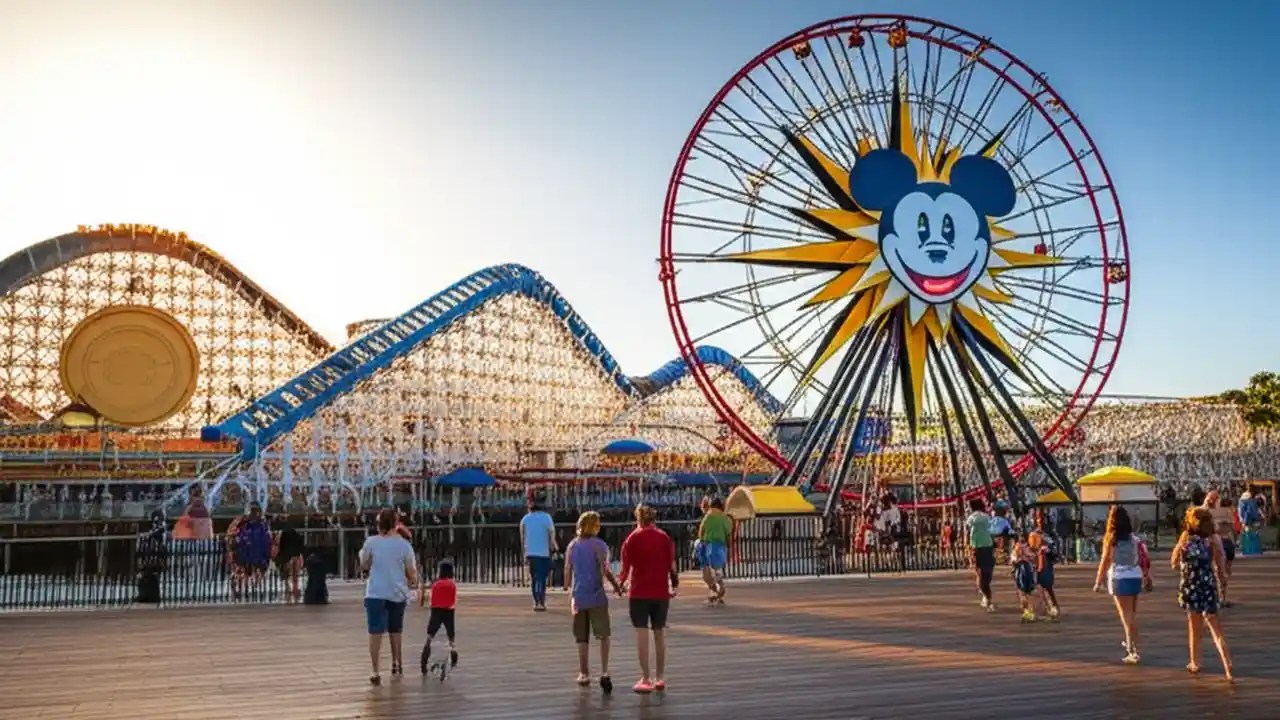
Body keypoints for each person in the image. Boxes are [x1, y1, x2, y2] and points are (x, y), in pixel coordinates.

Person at [619, 503, 676, 694]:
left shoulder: (632, 539)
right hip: (660, 591)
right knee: (659, 633)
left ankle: (646, 677)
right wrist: (673, 584)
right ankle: (660, 677)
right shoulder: (664, 537)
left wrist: (620, 584)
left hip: (639, 591)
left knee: (642, 633)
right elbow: (671, 564)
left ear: (638, 518)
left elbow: (625, 568)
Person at [564, 511, 622, 693]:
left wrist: (567, 587)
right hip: (597, 595)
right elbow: (605, 570)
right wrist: (616, 586)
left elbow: (567, 571)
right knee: (603, 635)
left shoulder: (572, 546)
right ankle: (604, 671)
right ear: (595, 526)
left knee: (582, 637)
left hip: (578, 596)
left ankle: (584, 673)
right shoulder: (601, 546)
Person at [1174, 508, 1233, 681]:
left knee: (1194, 627)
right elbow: (1220, 565)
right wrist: (1222, 580)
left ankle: (1194, 662)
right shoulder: (1213, 540)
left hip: (1191, 587)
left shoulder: (1186, 537)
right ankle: (1227, 666)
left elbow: (1173, 562)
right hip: (1208, 586)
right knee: (1216, 629)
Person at [360, 508, 419, 685]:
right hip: (397, 592)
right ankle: (396, 663)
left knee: (375, 632)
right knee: (395, 630)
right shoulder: (403, 545)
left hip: (376, 591)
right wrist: (412, 581)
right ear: (396, 524)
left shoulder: (371, 542)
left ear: (379, 524)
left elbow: (364, 564)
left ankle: (375, 670)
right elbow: (411, 572)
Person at [1093, 505, 1146, 665]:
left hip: (1120, 576)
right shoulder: (1134, 539)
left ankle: (1133, 649)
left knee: (1126, 617)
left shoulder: (1111, 538)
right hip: (1135, 575)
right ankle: (1132, 643)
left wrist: (1098, 580)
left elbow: (1105, 560)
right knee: (1132, 615)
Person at [418, 560, 459, 680]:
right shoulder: (452, 585)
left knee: (430, 635)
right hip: (449, 611)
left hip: (436, 611)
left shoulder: (436, 584)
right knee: (450, 634)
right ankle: (453, 652)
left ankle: (424, 660)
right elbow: (452, 600)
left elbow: (432, 599)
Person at [520, 498, 557, 611]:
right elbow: (552, 533)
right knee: (541, 578)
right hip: (543, 553)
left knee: (535, 578)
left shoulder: (525, 519)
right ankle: (540, 601)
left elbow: (522, 537)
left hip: (530, 553)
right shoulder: (547, 518)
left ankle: (536, 600)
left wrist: (524, 554)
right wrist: (553, 545)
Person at [1201, 491, 1236, 606]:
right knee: (1220, 571)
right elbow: (1230, 528)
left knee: (1218, 571)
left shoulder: (1204, 512)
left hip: (1217, 542)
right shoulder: (1224, 511)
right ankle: (1220, 596)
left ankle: (1220, 597)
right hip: (1217, 542)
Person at [697, 497, 733, 604]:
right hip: (719, 546)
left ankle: (715, 591)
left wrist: (701, 541)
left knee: (706, 572)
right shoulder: (725, 519)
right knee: (717, 569)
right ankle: (719, 589)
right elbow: (728, 536)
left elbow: (701, 531)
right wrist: (729, 548)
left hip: (705, 544)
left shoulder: (708, 516)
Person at [965, 499, 996, 612]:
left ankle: (986, 595)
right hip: (988, 546)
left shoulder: (971, 518)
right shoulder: (986, 517)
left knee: (979, 572)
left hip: (976, 547)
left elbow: (968, 532)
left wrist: (967, 546)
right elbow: (992, 530)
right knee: (987, 572)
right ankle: (986, 594)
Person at [1029, 511, 1061, 620]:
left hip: (1047, 561)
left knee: (1047, 585)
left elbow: (1053, 548)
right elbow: (1031, 547)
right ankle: (1046, 607)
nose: (1040, 521)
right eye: (1038, 518)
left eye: (1042, 518)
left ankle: (1054, 606)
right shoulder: (1033, 533)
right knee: (1038, 585)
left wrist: (1048, 550)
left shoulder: (1049, 533)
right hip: (1037, 560)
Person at [274, 515, 306, 602]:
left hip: (286, 556)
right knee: (294, 575)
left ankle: (288, 588)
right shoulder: (294, 532)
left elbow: (280, 546)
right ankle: (294, 589)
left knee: (287, 574)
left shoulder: (282, 533)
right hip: (294, 556)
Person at [1010, 530, 1039, 623]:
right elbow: (1033, 558)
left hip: (1022, 570)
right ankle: (1030, 612)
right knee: (1028, 592)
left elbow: (1013, 559)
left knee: (1022, 592)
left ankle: (1028, 612)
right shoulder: (1029, 547)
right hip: (1027, 569)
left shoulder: (1018, 547)